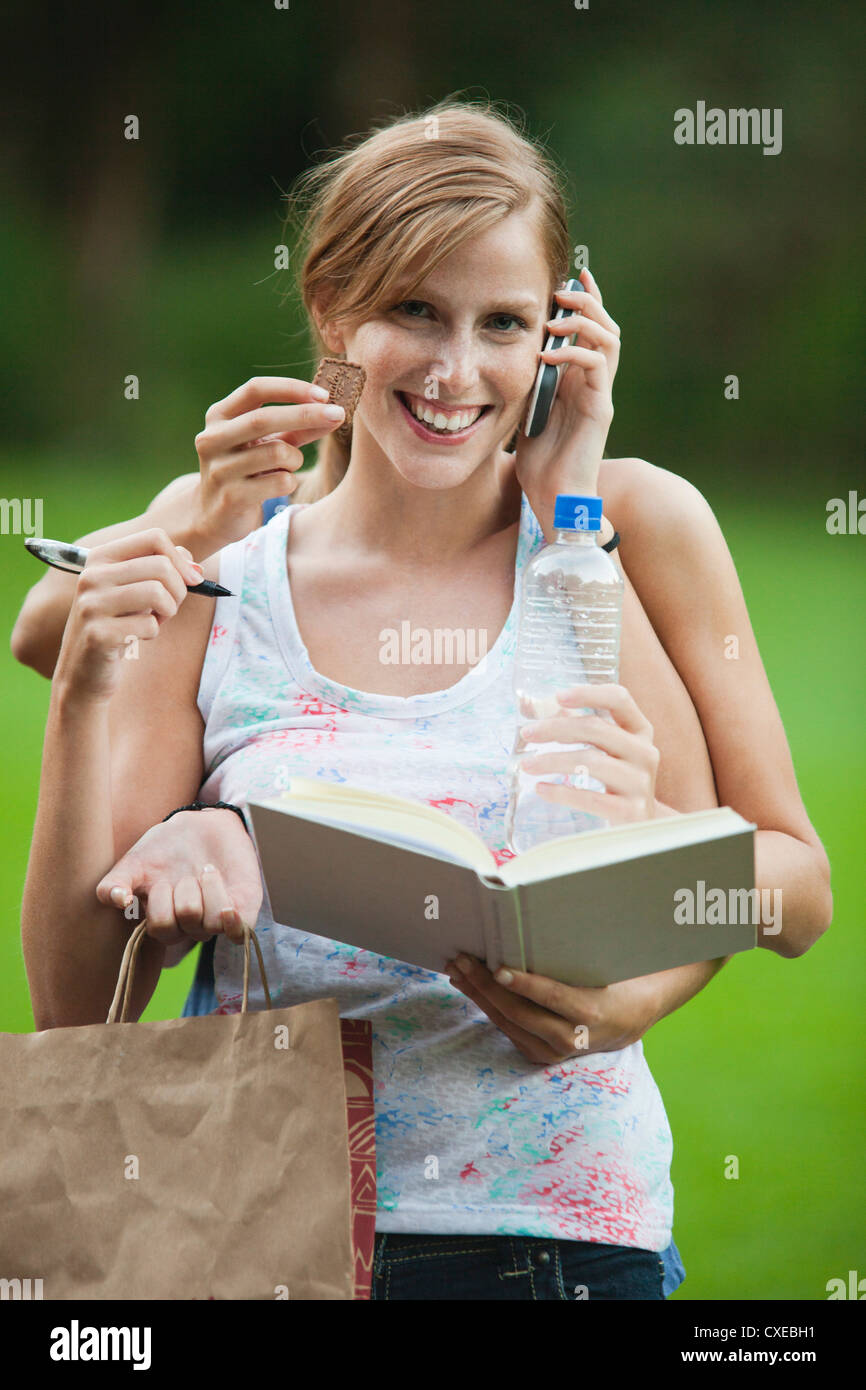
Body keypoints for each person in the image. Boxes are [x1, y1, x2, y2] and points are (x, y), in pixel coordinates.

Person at [21, 99, 831, 1301]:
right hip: (264, 1227)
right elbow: (82, 1014)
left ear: (558, 340)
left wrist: (620, 1003)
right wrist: (113, 739)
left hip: (565, 1244)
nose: (458, 372)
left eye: (502, 323)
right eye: (414, 312)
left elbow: (792, 886)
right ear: (331, 313)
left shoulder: (633, 528)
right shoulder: (217, 586)